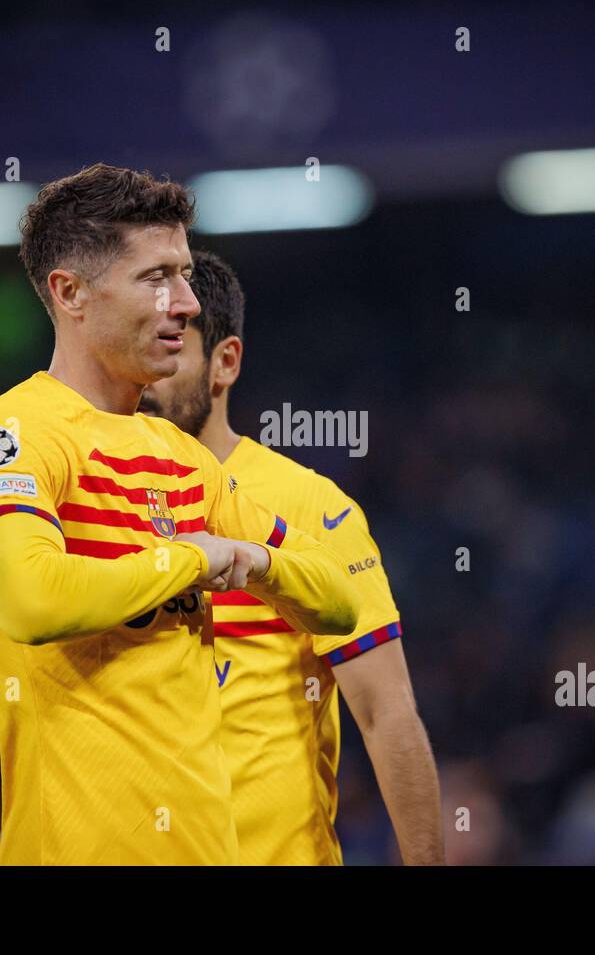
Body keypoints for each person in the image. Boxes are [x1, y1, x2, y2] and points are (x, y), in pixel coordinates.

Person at [0, 163, 360, 865]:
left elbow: (339, 602)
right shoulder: (14, 438)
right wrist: (196, 558)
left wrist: (255, 560)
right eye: (156, 277)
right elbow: (31, 600)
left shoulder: (183, 458)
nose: (188, 302)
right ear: (70, 292)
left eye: (187, 275)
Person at [138, 250, 444, 865]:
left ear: (224, 362)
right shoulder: (107, 501)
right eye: (139, 345)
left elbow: (386, 714)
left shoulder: (311, 508)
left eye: (171, 347)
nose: (147, 372)